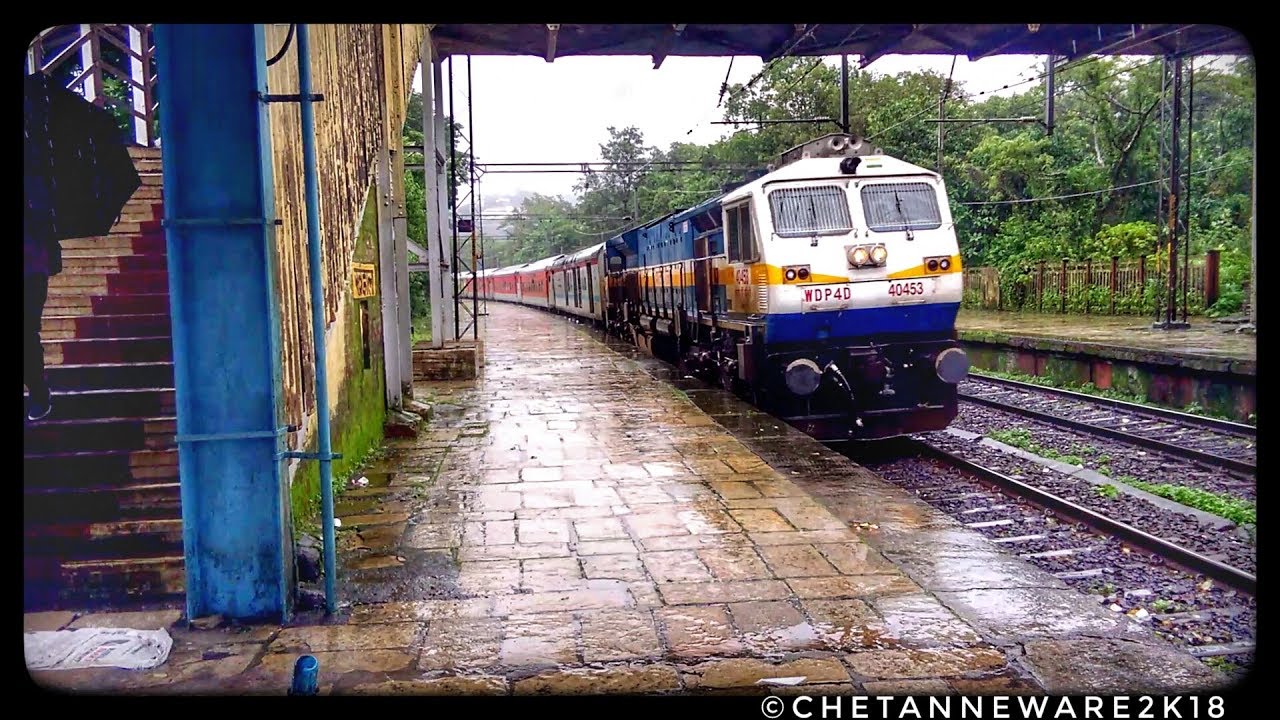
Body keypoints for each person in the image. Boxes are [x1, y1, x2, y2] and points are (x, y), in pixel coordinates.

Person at [24, 229, 59, 422]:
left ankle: (38, 392)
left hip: (31, 272)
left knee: (27, 332)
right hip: (34, 268)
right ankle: (38, 391)